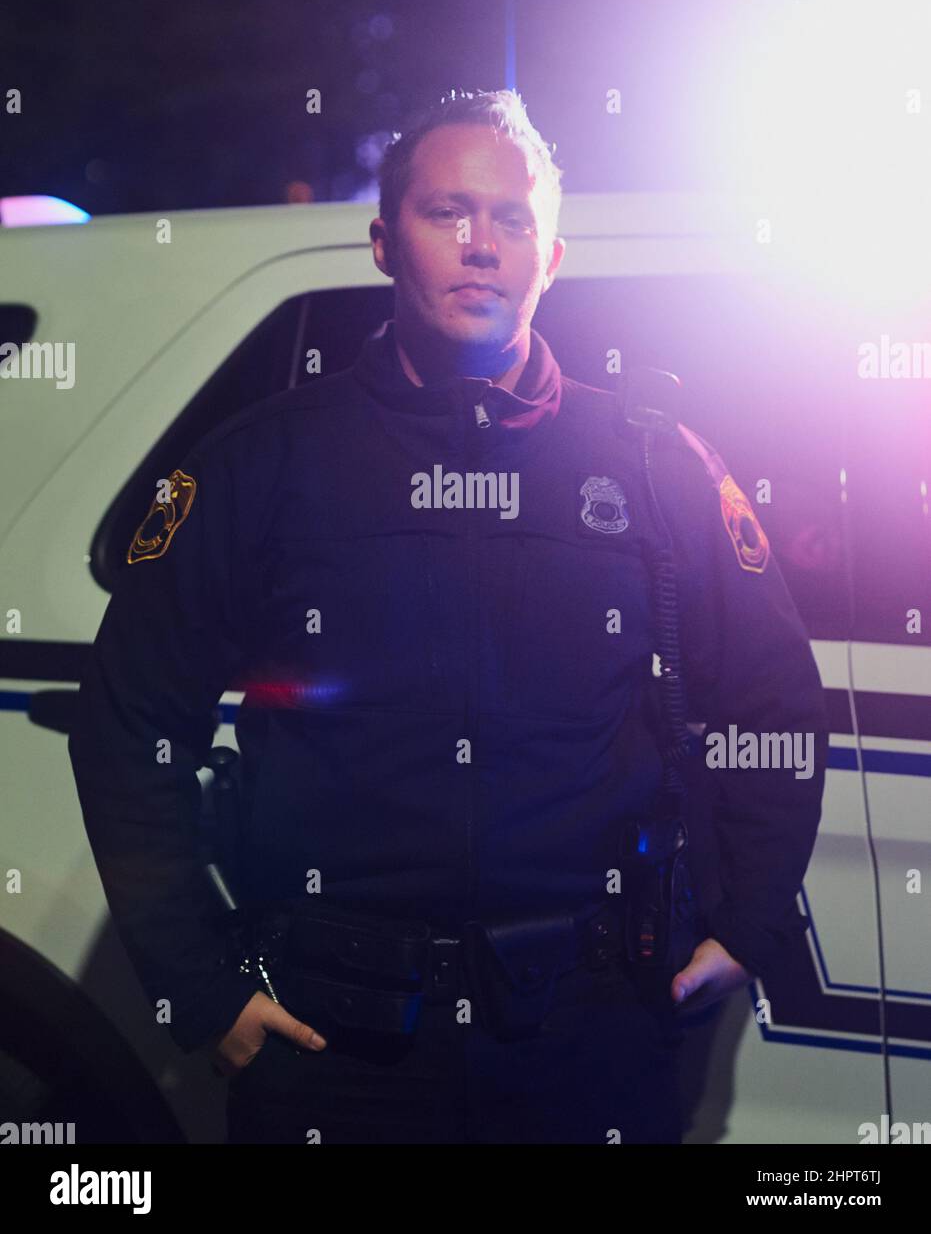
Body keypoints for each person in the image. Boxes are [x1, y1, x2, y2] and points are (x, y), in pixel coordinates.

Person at [68, 88, 829, 1145]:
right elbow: (125, 724)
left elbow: (776, 700)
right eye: (446, 214)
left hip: (594, 1033)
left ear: (549, 257)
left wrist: (748, 920)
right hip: (336, 1045)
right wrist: (199, 988)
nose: (481, 247)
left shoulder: (654, 465)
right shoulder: (263, 464)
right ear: (383, 242)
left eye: (511, 220)